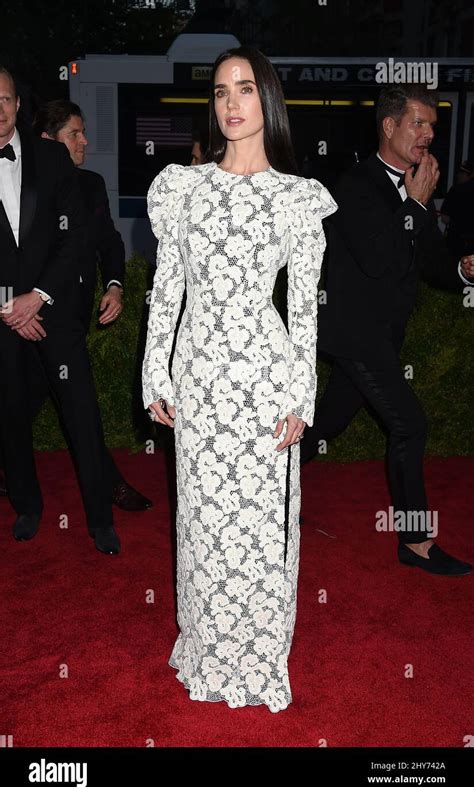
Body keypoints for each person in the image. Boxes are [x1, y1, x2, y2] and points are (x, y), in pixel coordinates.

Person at [142, 46, 336, 712]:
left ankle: (256, 659)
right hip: (197, 380)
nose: (231, 103)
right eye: (221, 91)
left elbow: (303, 308)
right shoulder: (183, 188)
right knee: (201, 523)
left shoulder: (296, 197)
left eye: (245, 89)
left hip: (262, 378)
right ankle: (204, 646)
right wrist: (154, 371)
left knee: (256, 529)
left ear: (267, 101)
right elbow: (167, 288)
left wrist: (300, 397)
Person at [301, 84, 474, 576]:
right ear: (390, 126)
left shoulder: (416, 186)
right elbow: (379, 262)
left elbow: (429, 263)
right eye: (418, 123)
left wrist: (462, 270)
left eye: (433, 125)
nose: (428, 134)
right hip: (354, 335)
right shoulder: (354, 186)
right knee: (409, 424)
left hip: (380, 338)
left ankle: (262, 488)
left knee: (326, 424)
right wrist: (417, 206)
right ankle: (415, 542)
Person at [0, 66, 120, 554]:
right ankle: (28, 506)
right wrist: (10, 306)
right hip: (5, 318)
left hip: (55, 312)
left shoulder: (52, 159)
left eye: (5, 99)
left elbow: (75, 237)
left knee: (82, 417)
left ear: (18, 105)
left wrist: (39, 298)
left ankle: (99, 520)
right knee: (9, 416)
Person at [22, 99, 150, 512]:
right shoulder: (19, 183)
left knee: (65, 406)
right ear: (47, 141)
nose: (85, 141)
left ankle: (105, 486)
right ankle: (109, 486)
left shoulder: (92, 184)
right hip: (25, 319)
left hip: (68, 318)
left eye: (83, 132)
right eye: (74, 134)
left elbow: (108, 241)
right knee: (52, 407)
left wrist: (114, 285)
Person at [441, 160, 474, 260]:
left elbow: (445, 218)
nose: (458, 176)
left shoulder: (455, 189)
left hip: (457, 240)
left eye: (461, 173)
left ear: (470, 175)